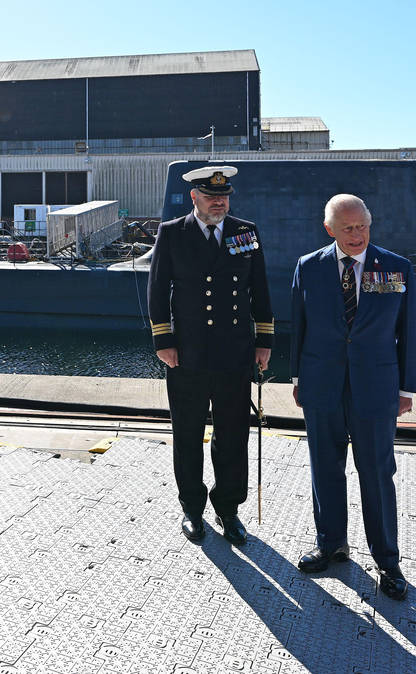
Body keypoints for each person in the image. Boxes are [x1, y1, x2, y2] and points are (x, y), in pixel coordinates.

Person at [289, 194, 416, 600]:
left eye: (362, 226)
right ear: (329, 229)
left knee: (378, 474)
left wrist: (406, 388)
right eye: (347, 228)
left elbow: (408, 330)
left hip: (377, 387)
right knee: (325, 467)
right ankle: (331, 543)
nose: (356, 234)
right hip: (321, 384)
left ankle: (387, 559)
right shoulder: (309, 268)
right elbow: (300, 326)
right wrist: (297, 378)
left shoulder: (396, 268)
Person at [148, 165, 274, 546]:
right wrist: (163, 342)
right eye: (210, 195)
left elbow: (260, 289)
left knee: (233, 434)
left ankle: (228, 508)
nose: (219, 201)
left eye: (224, 195)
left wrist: (264, 341)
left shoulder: (244, 232)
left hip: (234, 352)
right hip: (186, 352)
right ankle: (192, 507)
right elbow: (157, 292)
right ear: (194, 197)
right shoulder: (172, 233)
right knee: (187, 433)